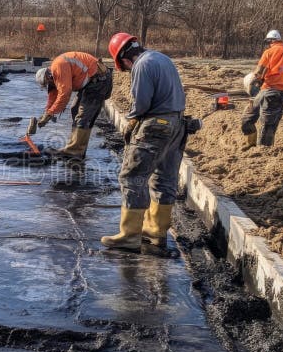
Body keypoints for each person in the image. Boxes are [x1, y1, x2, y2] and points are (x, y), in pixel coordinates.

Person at [100, 33, 186, 250]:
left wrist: (131, 122)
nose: (128, 70)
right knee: (163, 177)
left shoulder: (142, 65)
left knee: (132, 176)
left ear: (124, 59)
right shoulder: (161, 58)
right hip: (177, 123)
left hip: (156, 125)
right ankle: (157, 231)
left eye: (126, 67)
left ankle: (129, 235)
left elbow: (141, 103)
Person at [33, 51, 112, 158]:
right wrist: (46, 112)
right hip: (91, 82)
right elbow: (53, 95)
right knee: (75, 109)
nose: (48, 85)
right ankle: (77, 147)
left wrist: (50, 114)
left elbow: (65, 94)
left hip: (99, 81)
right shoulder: (54, 74)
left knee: (83, 116)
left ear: (48, 76)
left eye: (47, 83)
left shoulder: (58, 67)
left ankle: (75, 151)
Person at [240, 30, 283, 150]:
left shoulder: (269, 52)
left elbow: (258, 72)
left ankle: (263, 150)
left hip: (270, 90)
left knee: (254, 119)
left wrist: (253, 81)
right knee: (268, 122)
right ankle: (254, 145)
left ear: (270, 41)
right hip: (281, 92)